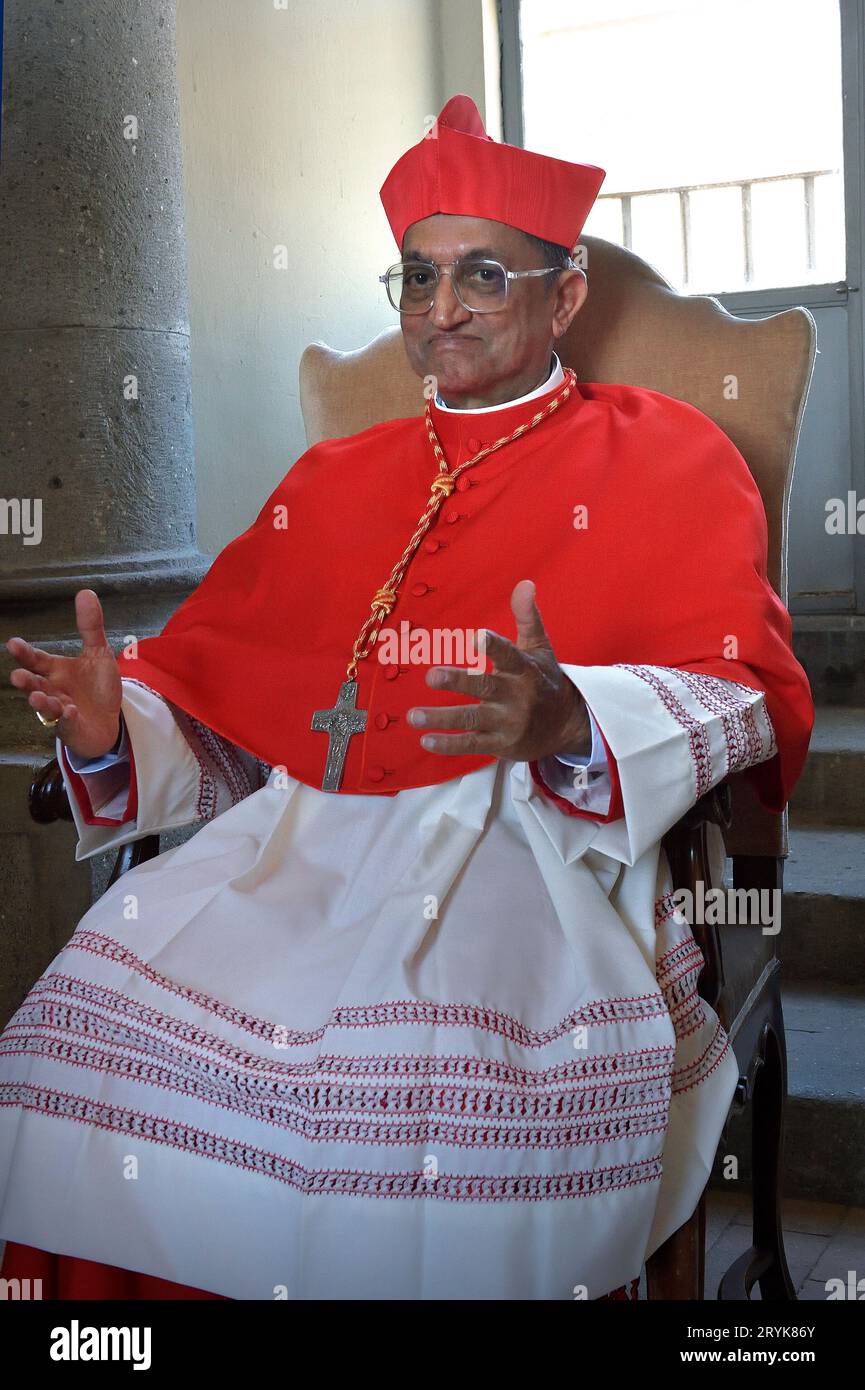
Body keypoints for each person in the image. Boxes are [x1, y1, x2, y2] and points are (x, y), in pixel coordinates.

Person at [0, 94, 813, 1300]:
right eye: (417, 279)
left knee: (435, 1112)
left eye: (481, 276)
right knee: (71, 1040)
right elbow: (233, 708)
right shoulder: (329, 482)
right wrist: (121, 720)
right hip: (303, 844)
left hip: (538, 850)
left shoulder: (670, 456)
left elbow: (739, 692)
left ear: (566, 291)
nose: (440, 311)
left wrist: (572, 722)